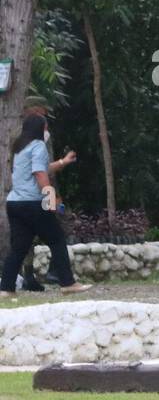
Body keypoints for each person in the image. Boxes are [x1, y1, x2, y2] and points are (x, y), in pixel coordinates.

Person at [1, 112, 91, 297]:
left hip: (15, 204)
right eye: (46, 127)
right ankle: (68, 283)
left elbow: (42, 167)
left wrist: (62, 162)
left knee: (19, 247)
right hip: (32, 203)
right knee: (57, 240)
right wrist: (51, 199)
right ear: (41, 129)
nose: (47, 130)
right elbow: (40, 175)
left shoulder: (19, 147)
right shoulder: (39, 145)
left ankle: (6, 288)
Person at [17, 95, 76, 292]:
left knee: (34, 234)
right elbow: (40, 171)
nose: (44, 119)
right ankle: (47, 274)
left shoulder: (36, 135)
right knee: (55, 229)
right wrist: (52, 195)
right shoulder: (25, 136)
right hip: (33, 194)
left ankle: (33, 274)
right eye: (41, 114)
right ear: (30, 112)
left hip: (31, 194)